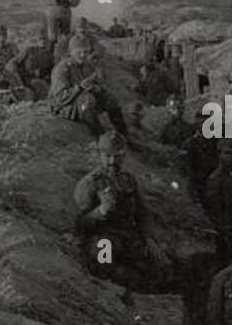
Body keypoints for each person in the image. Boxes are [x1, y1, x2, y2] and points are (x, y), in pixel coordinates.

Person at [73, 132, 171, 291]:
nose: (113, 161)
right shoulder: (89, 183)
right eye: (108, 156)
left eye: (118, 156)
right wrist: (100, 211)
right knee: (107, 264)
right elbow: (79, 224)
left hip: (127, 235)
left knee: (162, 266)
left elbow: (143, 212)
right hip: (102, 238)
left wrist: (149, 238)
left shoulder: (128, 179)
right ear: (100, 155)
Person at [48, 32, 127, 138]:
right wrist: (80, 88)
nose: (83, 55)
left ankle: (124, 136)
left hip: (84, 102)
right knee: (87, 100)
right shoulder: (62, 69)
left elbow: (98, 83)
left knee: (110, 99)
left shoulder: (87, 65)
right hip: (64, 106)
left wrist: (96, 88)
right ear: (71, 52)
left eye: (85, 52)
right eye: (79, 52)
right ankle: (100, 137)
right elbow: (60, 98)